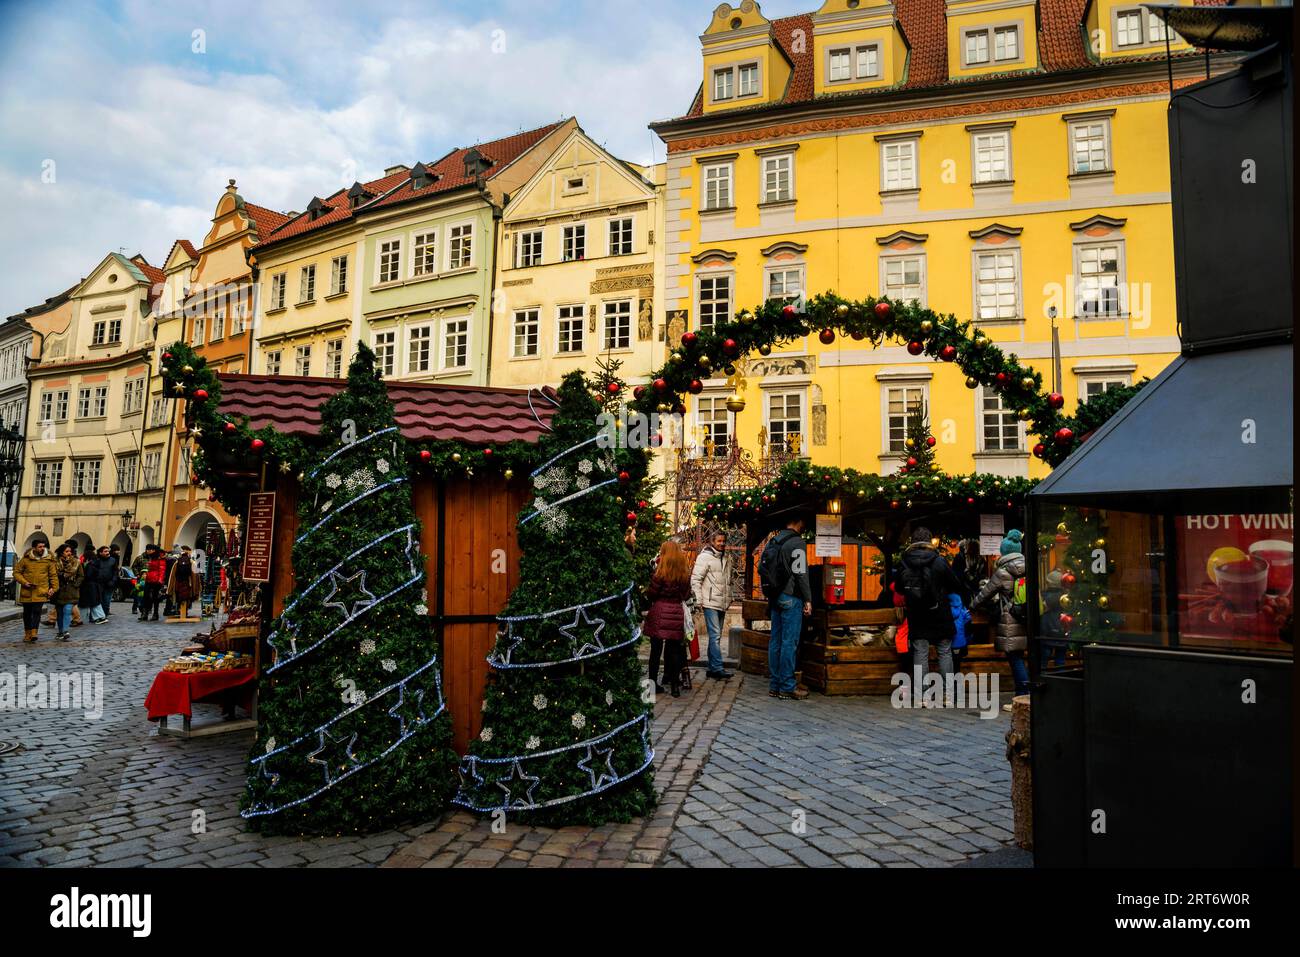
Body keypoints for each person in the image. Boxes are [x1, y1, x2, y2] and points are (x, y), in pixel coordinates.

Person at [896, 527, 963, 707]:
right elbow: (956, 584)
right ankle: (948, 695)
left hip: (917, 613)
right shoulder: (939, 562)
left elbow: (899, 588)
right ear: (929, 541)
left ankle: (923, 696)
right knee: (944, 652)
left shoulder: (905, 562)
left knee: (920, 652)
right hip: (939, 612)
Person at [974, 530, 1029, 711]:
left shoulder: (1002, 571)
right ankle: (1026, 694)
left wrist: (972, 605)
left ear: (1004, 552)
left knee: (1015, 657)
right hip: (1028, 618)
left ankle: (1022, 697)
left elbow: (985, 594)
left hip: (1010, 619)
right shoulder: (1030, 567)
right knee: (1025, 656)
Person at [765, 516, 812, 701]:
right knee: (789, 642)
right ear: (799, 522)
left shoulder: (774, 540)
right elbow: (800, 572)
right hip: (791, 596)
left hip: (775, 596)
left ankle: (774, 685)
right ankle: (787, 686)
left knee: (775, 641)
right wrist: (808, 599)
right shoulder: (796, 542)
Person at [644, 541, 692, 697]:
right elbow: (686, 595)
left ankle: (651, 686)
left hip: (659, 611)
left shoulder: (660, 571)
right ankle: (674, 688)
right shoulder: (683, 572)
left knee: (655, 651)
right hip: (676, 612)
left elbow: (651, 593)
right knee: (674, 652)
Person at [690, 531, 734, 681]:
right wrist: (699, 600)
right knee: (715, 635)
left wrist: (730, 598)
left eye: (723, 541)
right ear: (712, 542)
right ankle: (717, 668)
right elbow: (696, 579)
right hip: (709, 602)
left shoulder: (726, 557)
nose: (722, 543)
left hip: (722, 602)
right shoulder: (704, 557)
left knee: (716, 636)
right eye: (719, 541)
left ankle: (711, 667)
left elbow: (728, 581)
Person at [14, 541, 57, 643]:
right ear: (34, 548)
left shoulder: (48, 560)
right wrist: (24, 582)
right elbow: (16, 572)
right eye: (40, 546)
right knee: (27, 613)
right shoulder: (25, 559)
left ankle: (34, 633)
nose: (42, 548)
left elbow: (53, 576)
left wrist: (53, 588)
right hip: (27, 591)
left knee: (37, 611)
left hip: (41, 591)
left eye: (43, 546)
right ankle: (27, 633)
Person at [52, 543, 85, 641]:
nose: (69, 553)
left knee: (67, 610)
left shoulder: (76, 562)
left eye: (70, 551)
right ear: (61, 552)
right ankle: (60, 631)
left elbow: (81, 576)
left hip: (71, 591)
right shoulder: (54, 562)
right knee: (59, 612)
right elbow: (51, 575)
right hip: (58, 590)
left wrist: (76, 585)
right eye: (67, 551)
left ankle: (65, 631)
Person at [1039, 568, 1068, 670]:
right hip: (1062, 632)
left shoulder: (1043, 596)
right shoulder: (1066, 597)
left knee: (1043, 661)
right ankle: (1061, 681)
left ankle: (1042, 680)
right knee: (1060, 660)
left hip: (1046, 632)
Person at [79, 546, 112, 623]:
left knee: (91, 602)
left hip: (89, 585)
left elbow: (88, 575)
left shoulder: (90, 565)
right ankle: (80, 618)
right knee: (90, 602)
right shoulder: (97, 563)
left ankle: (99, 617)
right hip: (94, 585)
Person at [167, 545, 201, 617]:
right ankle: (184, 611)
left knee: (179, 596)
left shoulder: (177, 561)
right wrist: (197, 589)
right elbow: (195, 576)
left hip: (178, 582)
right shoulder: (191, 561)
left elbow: (172, 576)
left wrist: (169, 589)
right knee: (187, 596)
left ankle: (180, 610)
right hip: (188, 582)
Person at [140, 544, 166, 622]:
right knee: (146, 596)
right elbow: (147, 568)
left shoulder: (160, 558)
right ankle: (145, 614)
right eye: (147, 549)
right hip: (149, 579)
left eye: (149, 549)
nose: (148, 551)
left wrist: (160, 580)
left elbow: (162, 570)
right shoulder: (149, 557)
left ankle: (155, 614)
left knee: (155, 598)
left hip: (156, 580)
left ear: (154, 550)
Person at [100, 544, 121, 617]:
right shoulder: (98, 560)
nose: (107, 553)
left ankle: (105, 613)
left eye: (107, 551)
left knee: (107, 598)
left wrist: (113, 580)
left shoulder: (113, 560)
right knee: (102, 599)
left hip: (110, 583)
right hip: (101, 583)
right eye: (105, 551)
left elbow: (115, 571)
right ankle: (101, 613)